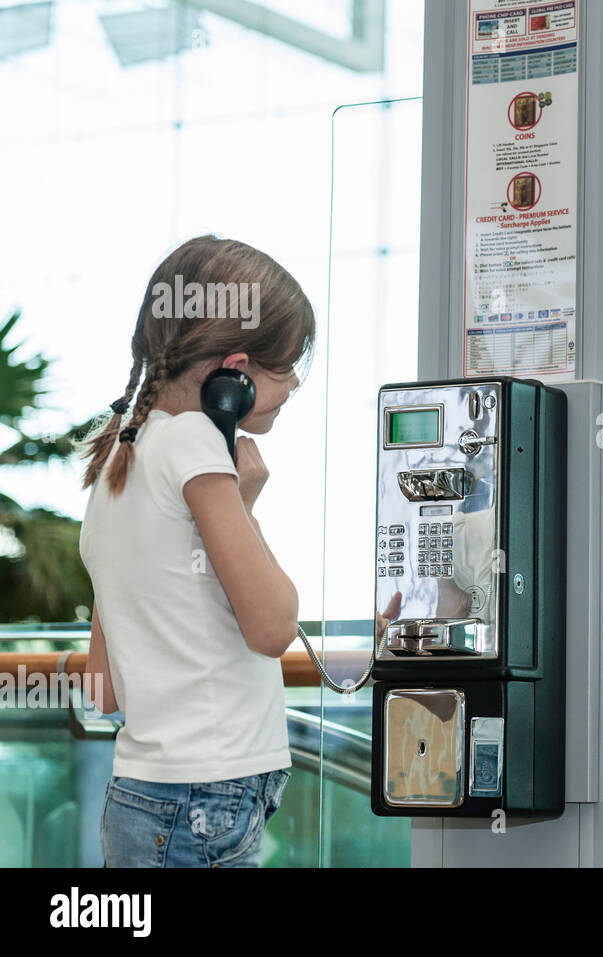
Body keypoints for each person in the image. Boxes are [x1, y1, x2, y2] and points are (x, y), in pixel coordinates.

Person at [78, 235, 316, 867]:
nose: (293, 382)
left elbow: (104, 687)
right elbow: (272, 625)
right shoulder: (195, 447)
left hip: (142, 797)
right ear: (233, 374)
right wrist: (243, 500)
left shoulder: (115, 464)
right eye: (285, 364)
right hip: (204, 800)